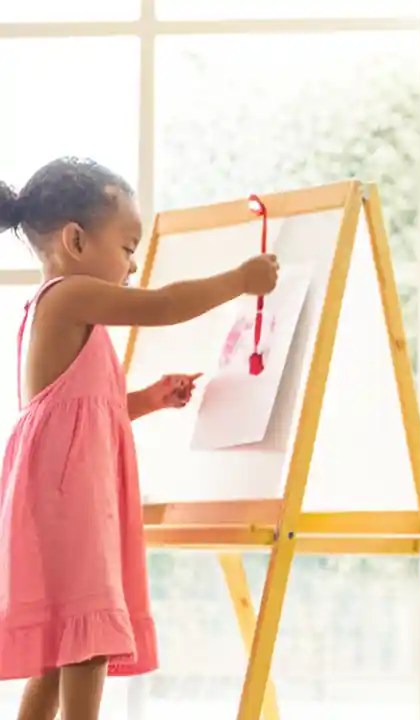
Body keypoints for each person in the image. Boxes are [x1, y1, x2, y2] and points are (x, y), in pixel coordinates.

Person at [0, 157, 279, 720]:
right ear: (75, 240)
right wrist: (240, 281)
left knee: (64, 648)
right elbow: (163, 305)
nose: (131, 267)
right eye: (128, 249)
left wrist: (148, 399)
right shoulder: (68, 296)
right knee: (86, 640)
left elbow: (84, 417)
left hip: (66, 493)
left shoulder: (66, 312)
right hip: (68, 500)